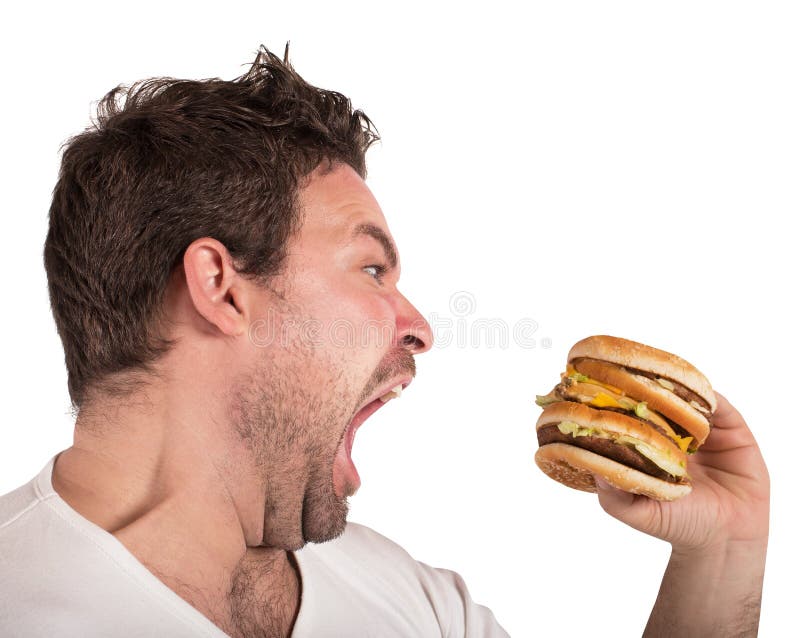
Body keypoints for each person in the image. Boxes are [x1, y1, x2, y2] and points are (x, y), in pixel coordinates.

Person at [0, 46, 768, 637]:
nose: (420, 326)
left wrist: (724, 550)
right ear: (221, 287)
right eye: (371, 268)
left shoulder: (412, 600)